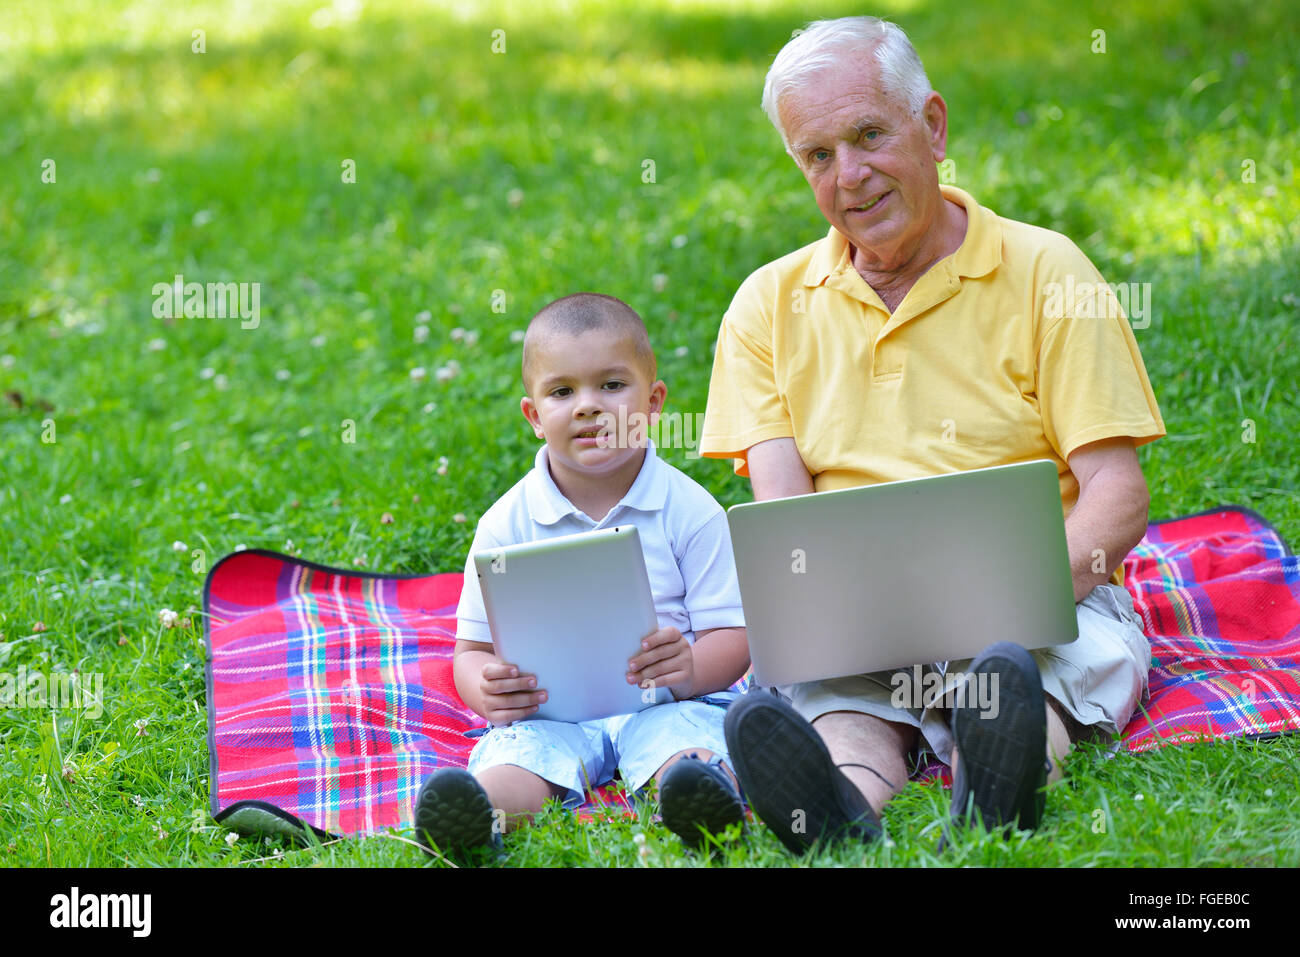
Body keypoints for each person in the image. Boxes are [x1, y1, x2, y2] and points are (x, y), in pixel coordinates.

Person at [699, 16, 1166, 853]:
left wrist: (1008, 600)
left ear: (934, 125)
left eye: (869, 134)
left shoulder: (1047, 270)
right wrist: (831, 614)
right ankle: (841, 810)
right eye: (817, 155)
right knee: (840, 704)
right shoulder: (765, 307)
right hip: (860, 616)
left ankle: (998, 789)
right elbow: (786, 526)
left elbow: (1117, 495)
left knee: (1022, 683)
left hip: (1036, 596)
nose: (850, 175)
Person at [414, 292, 750, 858]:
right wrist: (488, 689)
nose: (588, 407)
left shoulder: (691, 512)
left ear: (654, 401)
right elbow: (470, 649)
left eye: (612, 386)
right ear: (534, 416)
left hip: (667, 703)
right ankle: (475, 817)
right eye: (563, 392)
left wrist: (691, 668)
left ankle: (703, 806)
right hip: (551, 709)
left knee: (688, 748)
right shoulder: (506, 524)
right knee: (519, 758)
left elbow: (737, 638)